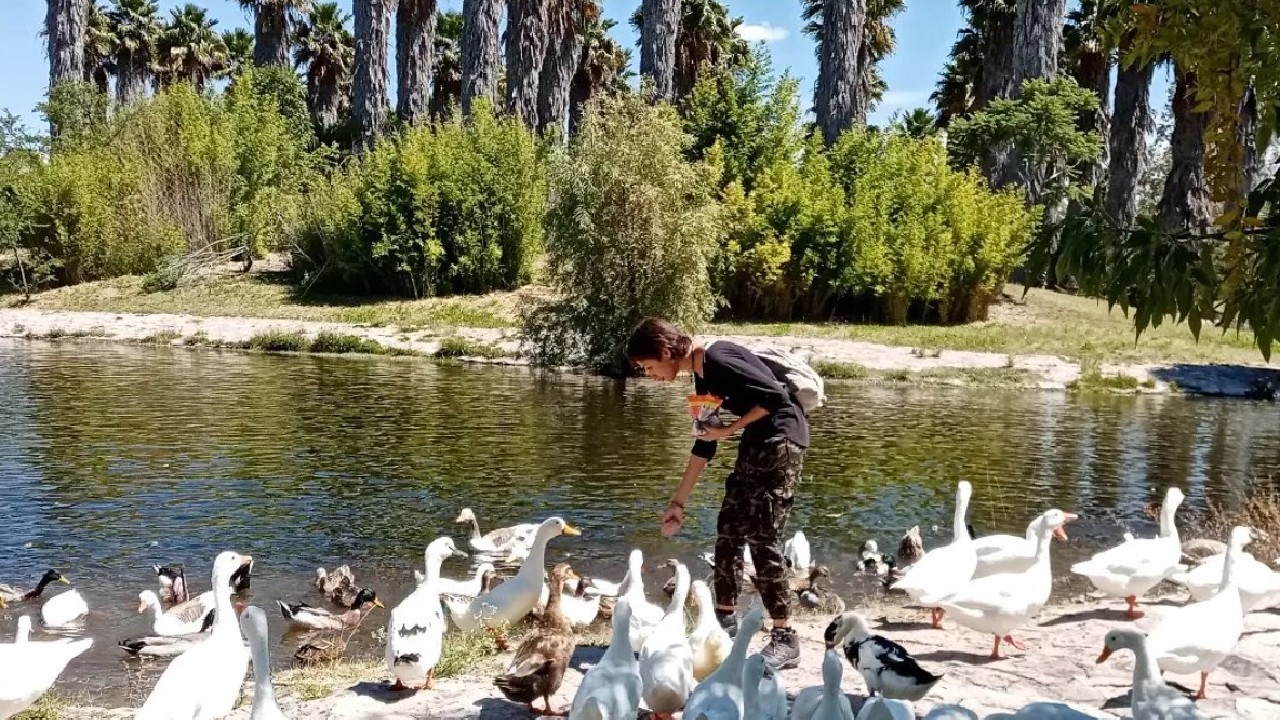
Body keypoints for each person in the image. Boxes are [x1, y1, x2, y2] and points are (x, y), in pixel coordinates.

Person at [626, 318, 809, 670]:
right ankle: (724, 622)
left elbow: (775, 397)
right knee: (728, 528)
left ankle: (786, 638)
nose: (650, 374)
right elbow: (704, 443)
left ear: (666, 352)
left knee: (763, 535)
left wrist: (729, 431)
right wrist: (678, 503)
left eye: (649, 367)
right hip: (757, 440)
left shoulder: (718, 358)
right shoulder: (701, 376)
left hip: (784, 440)